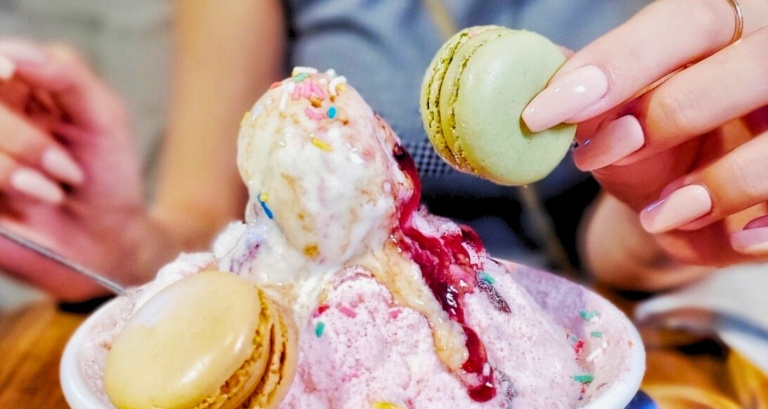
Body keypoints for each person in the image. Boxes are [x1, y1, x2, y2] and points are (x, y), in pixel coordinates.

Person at [0, 0, 764, 305]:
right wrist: (123, 244)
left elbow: (610, 236)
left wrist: (682, 199)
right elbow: (212, 220)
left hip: (603, 320)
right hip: (328, 311)